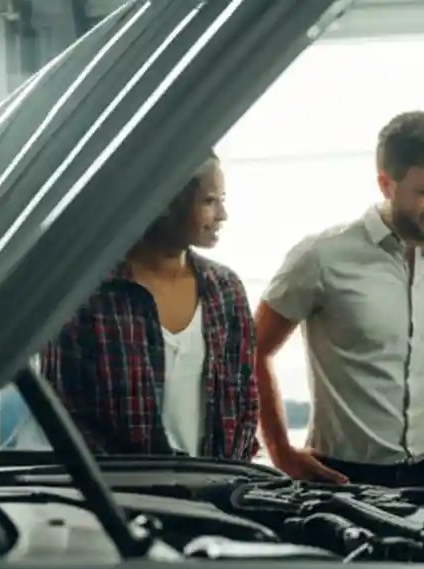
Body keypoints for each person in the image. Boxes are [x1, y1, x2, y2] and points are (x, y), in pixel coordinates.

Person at [255, 110, 424, 489]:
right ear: (386, 184)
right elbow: (252, 350)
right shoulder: (322, 257)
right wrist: (280, 451)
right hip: (342, 477)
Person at [38, 150, 260, 460]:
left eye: (222, 199)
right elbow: (65, 413)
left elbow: (246, 400)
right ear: (166, 202)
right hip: (124, 496)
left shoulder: (225, 289)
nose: (222, 214)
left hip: (217, 494)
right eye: (209, 201)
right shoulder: (88, 295)